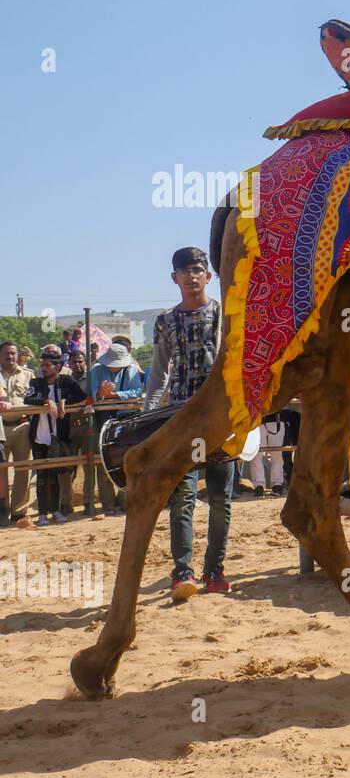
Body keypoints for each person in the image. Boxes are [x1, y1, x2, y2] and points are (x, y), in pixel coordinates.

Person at [145, 247, 234, 600]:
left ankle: (215, 569)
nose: (192, 276)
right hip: (181, 419)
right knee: (183, 499)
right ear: (175, 278)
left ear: (208, 276)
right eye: (185, 271)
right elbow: (158, 373)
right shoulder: (166, 321)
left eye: (198, 269)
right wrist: (148, 416)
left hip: (221, 418)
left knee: (220, 500)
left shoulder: (225, 314)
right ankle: (183, 571)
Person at [22, 349, 87, 525]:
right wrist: (46, 401)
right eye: (41, 365)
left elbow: (81, 395)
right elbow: (28, 399)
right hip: (39, 436)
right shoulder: (36, 382)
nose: (43, 368)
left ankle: (57, 510)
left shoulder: (66, 381)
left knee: (56, 472)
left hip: (59, 435)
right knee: (42, 474)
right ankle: (42, 512)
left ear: (57, 367)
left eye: (47, 365)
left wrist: (64, 399)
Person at [87, 342, 144, 516]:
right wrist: (100, 394)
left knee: (128, 458)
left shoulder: (131, 370)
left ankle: (126, 499)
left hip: (127, 418)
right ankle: (107, 504)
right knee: (105, 461)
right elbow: (91, 393)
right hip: (104, 420)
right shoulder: (96, 370)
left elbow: (137, 391)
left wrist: (114, 395)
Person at [0, 339, 35, 525]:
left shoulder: (28, 375)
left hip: (23, 426)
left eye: (13, 353)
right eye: (6, 353)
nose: (10, 356)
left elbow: (37, 397)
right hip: (0, 428)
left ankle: (19, 511)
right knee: (0, 472)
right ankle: (2, 511)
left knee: (23, 469)